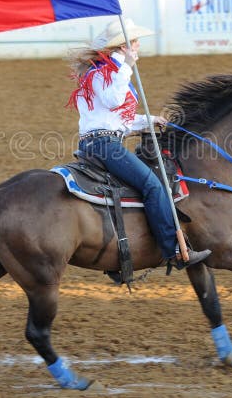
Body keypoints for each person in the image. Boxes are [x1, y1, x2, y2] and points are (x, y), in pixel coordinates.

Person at [67, 17, 212, 269]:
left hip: (103, 141)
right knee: (153, 186)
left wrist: (149, 120)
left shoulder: (106, 73)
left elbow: (117, 118)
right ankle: (174, 249)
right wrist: (127, 66)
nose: (138, 46)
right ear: (123, 46)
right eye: (134, 42)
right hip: (104, 145)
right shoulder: (104, 73)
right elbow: (113, 101)